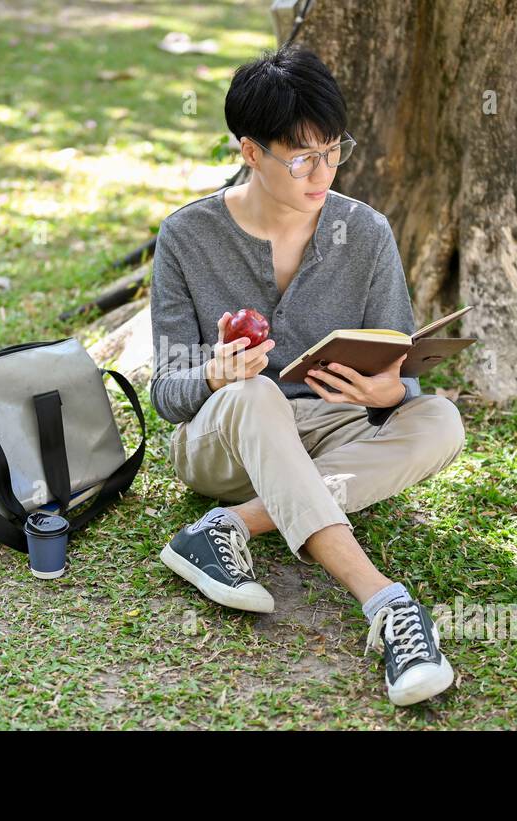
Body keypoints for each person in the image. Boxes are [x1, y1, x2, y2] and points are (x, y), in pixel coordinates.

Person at [148, 45, 466, 706]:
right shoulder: (186, 236)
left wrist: (392, 391)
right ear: (250, 152)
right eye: (301, 157)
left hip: (330, 425)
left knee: (440, 419)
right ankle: (388, 605)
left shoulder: (366, 232)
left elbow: (397, 361)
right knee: (256, 390)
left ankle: (226, 527)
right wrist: (213, 374)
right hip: (224, 440)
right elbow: (167, 397)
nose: (321, 172)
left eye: (332, 151)